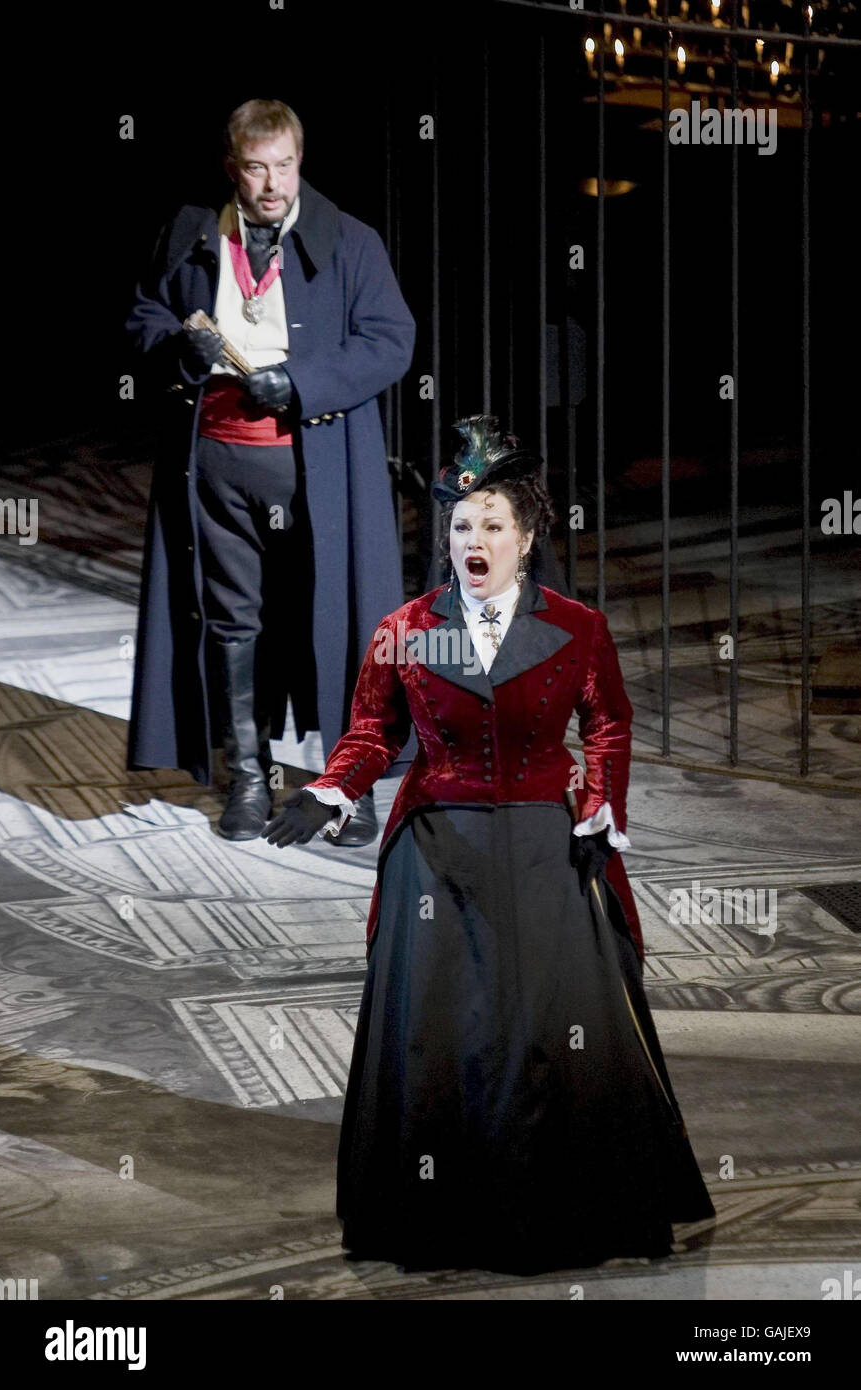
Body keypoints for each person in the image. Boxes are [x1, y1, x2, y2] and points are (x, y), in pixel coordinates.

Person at [263, 415, 716, 1274]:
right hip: (438, 848)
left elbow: (609, 721)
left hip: (550, 839)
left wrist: (601, 797)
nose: (475, 540)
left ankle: (569, 1212)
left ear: (529, 536)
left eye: (493, 525)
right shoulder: (407, 628)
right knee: (447, 1035)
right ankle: (440, 1219)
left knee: (554, 1029)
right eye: (462, 526)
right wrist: (332, 789)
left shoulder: (577, 627)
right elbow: (372, 731)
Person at [125, 98, 415, 844]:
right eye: (256, 168)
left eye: (284, 165)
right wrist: (175, 351)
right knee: (231, 624)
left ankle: (347, 786)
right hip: (219, 467)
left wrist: (302, 384)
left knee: (341, 622)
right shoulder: (193, 236)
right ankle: (248, 779)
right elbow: (147, 316)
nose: (272, 183)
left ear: (300, 163)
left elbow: (391, 340)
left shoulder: (348, 241)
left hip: (316, 470)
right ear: (233, 168)